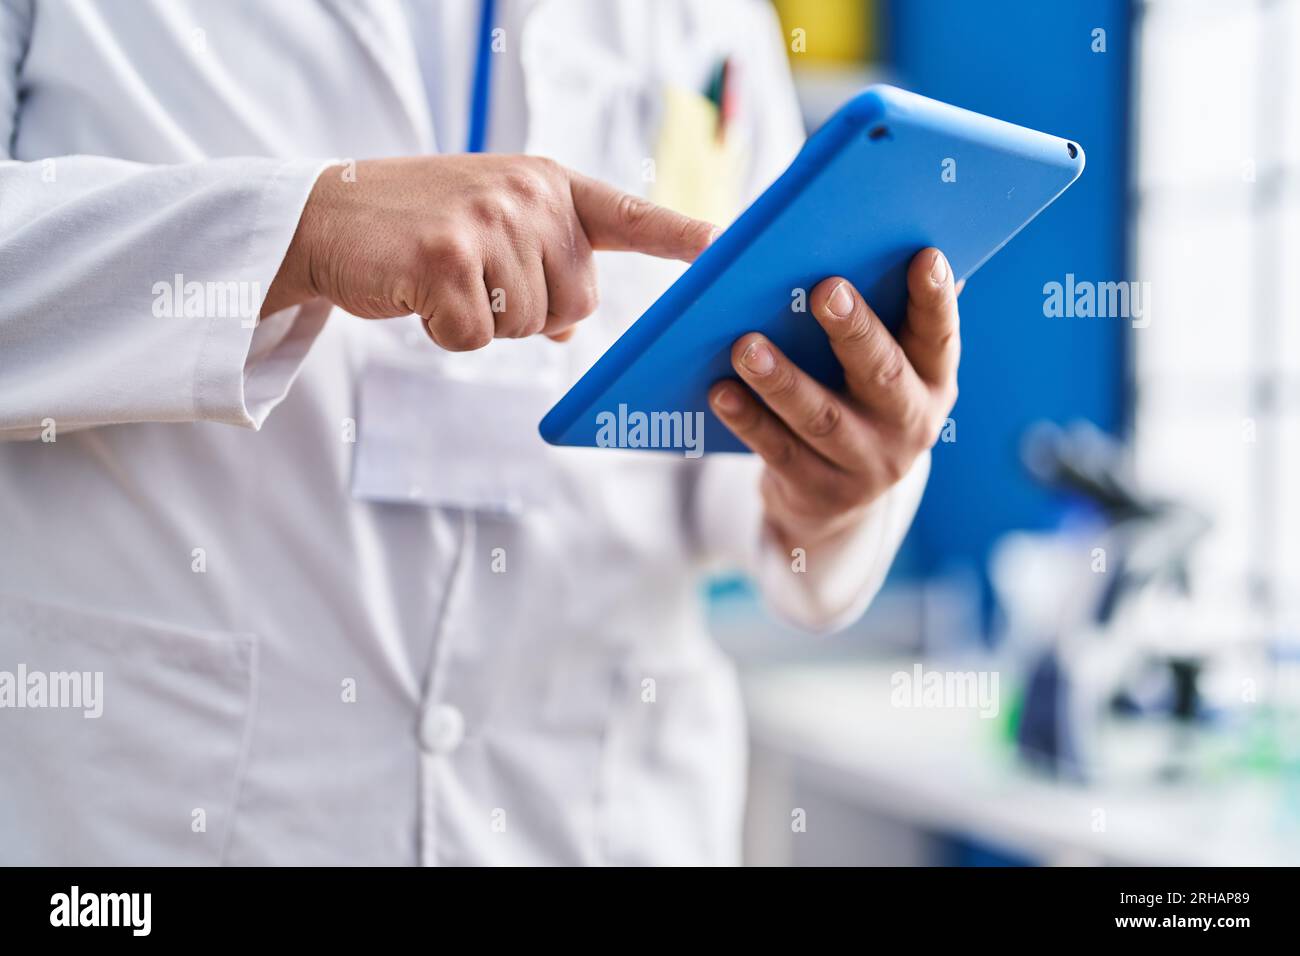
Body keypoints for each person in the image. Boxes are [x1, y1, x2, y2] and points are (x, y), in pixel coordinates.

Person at [0, 0, 960, 865]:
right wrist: (301, 229)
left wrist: (832, 490)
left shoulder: (712, 18)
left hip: (606, 816)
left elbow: (742, 485)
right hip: (167, 821)